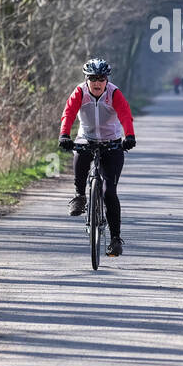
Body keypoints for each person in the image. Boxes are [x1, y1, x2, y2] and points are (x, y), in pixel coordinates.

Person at [59, 58, 136, 256]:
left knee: (109, 192)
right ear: (86, 79)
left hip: (111, 142)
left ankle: (115, 239)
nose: (97, 83)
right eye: (92, 78)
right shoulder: (80, 92)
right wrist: (64, 135)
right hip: (86, 138)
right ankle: (79, 195)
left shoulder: (114, 93)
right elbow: (68, 113)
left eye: (101, 78)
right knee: (80, 154)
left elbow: (125, 115)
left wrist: (129, 136)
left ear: (106, 80)